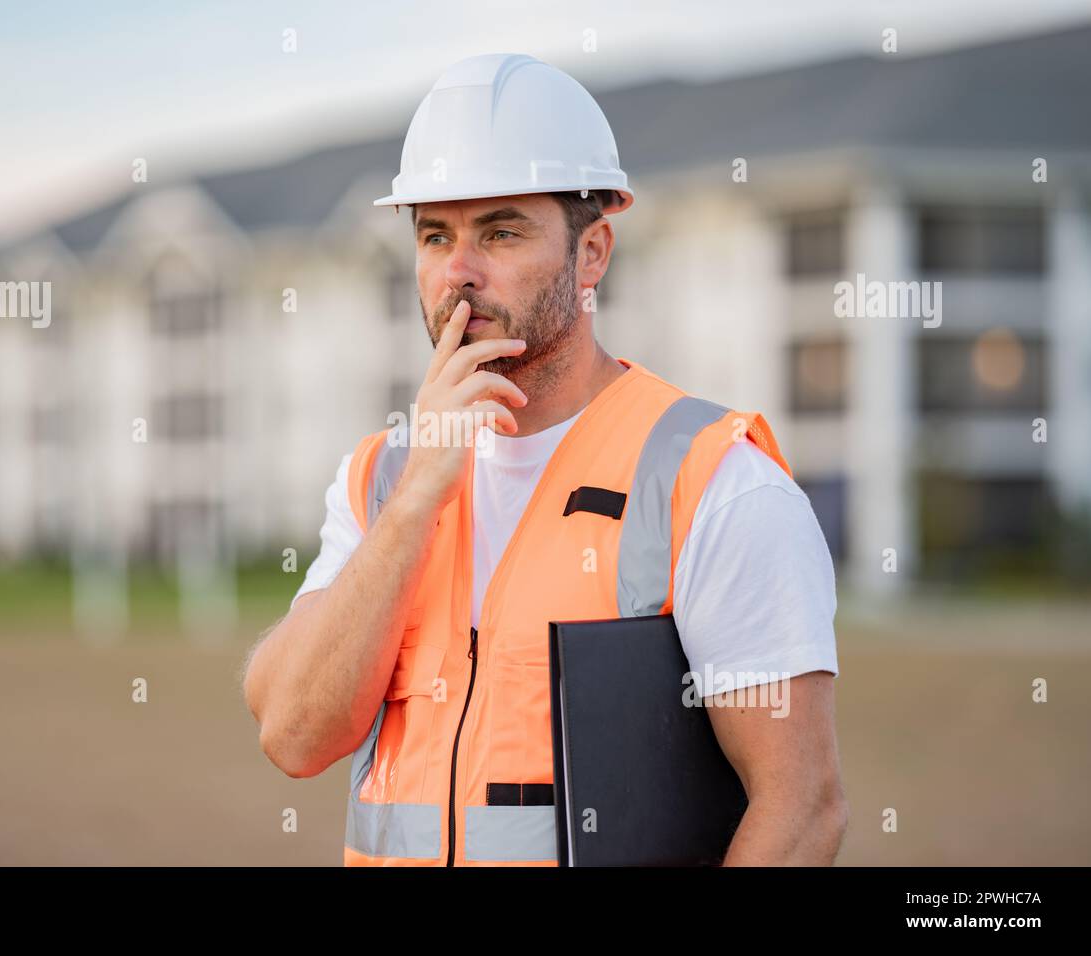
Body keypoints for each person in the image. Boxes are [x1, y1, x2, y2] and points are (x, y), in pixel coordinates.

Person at [244, 53, 846, 866]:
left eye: (500, 230)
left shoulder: (710, 482)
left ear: (592, 252)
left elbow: (801, 812)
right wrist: (417, 500)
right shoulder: (382, 480)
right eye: (434, 236)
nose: (458, 271)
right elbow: (293, 734)